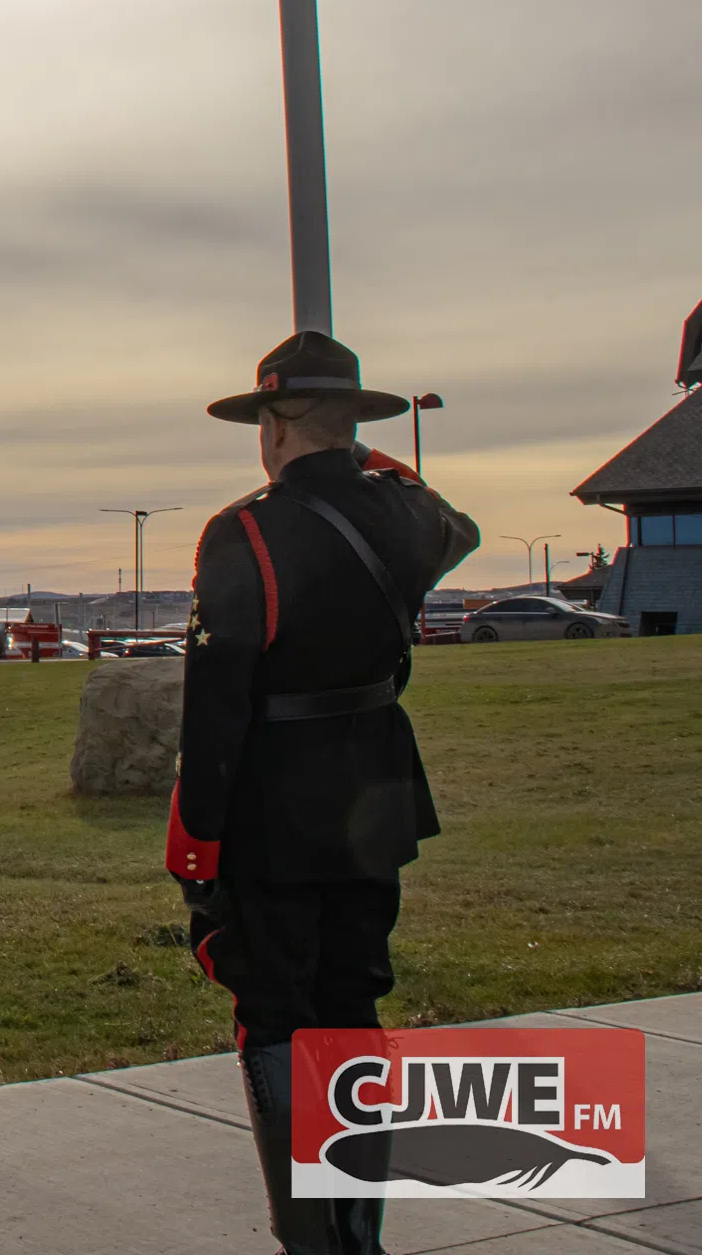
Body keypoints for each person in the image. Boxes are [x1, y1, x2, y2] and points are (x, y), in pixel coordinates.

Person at [168, 331, 479, 1255]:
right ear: (352, 421)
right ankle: (356, 1234)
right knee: (352, 1002)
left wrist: (196, 844)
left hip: (272, 808)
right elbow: (454, 523)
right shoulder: (407, 517)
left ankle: (309, 1240)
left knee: (275, 1010)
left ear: (272, 425)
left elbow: (216, 702)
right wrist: (360, 455)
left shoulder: (245, 533)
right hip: (373, 796)